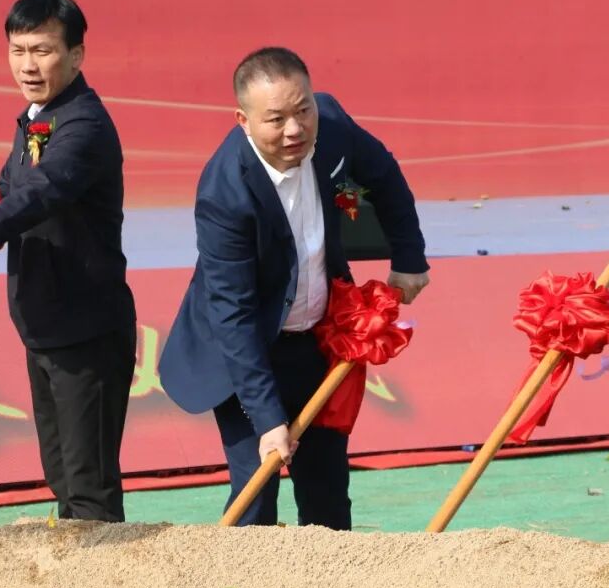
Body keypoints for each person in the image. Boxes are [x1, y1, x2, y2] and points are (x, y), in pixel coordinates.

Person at [160, 47, 430, 529]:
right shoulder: (224, 192)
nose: (294, 129)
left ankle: (331, 576)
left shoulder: (331, 126)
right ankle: (243, 578)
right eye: (276, 119)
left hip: (320, 339)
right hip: (247, 351)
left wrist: (408, 259)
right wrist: (269, 421)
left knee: (327, 487)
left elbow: (384, 175)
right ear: (243, 121)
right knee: (257, 488)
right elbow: (234, 314)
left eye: (302, 110)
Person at [0, 0, 136, 522]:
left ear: (76, 55)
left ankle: (103, 575)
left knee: (89, 490)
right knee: (63, 476)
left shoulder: (84, 125)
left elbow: (42, 192)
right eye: (17, 50)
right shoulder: (36, 118)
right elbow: (8, 190)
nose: (27, 65)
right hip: (44, 326)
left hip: (86, 330)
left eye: (42, 50)